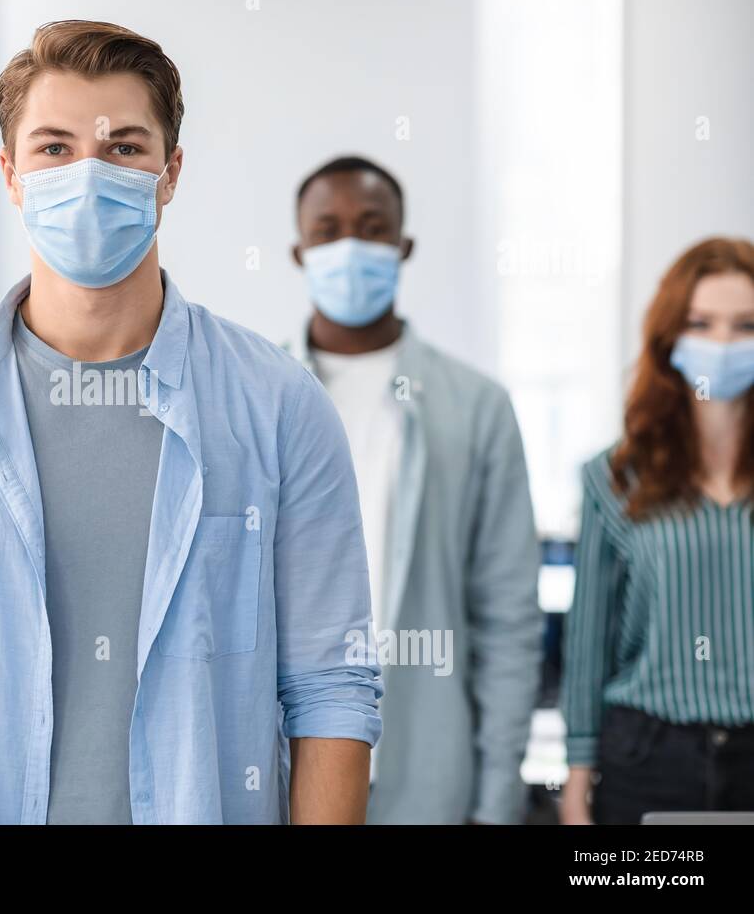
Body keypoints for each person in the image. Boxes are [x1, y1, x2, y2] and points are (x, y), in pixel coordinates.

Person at [0, 19, 382, 825]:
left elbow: (332, 688)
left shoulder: (279, 406)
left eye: (123, 148)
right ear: (10, 175)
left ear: (170, 172)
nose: (87, 173)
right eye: (53, 148)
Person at [286, 156, 543, 823]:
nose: (350, 246)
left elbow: (508, 619)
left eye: (372, 229)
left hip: (428, 772)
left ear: (403, 246)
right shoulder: (255, 397)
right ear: (298, 251)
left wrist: (495, 802)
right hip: (282, 766)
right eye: (328, 229)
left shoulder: (476, 407)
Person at [560, 236, 754, 824]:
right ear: (670, 337)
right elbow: (588, 638)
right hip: (648, 760)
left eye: (745, 325)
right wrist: (576, 778)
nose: (722, 342)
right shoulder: (615, 476)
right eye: (701, 323)